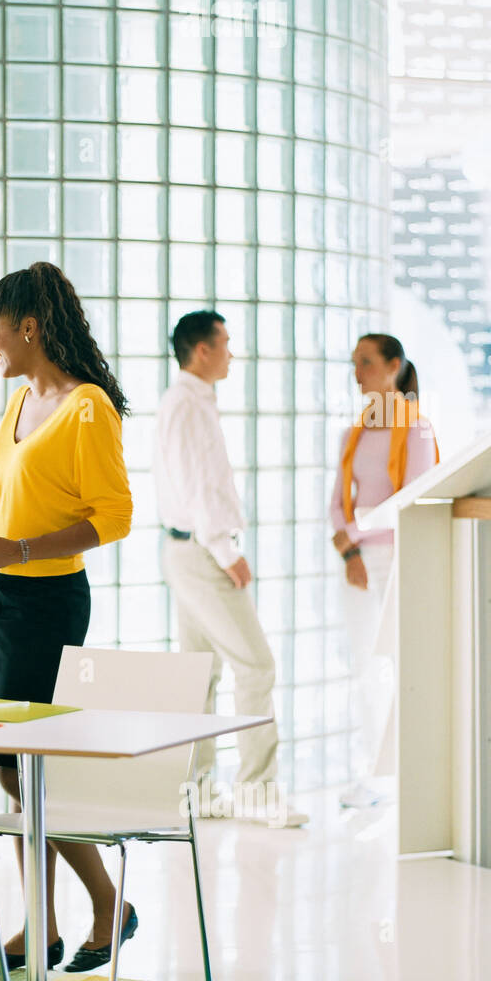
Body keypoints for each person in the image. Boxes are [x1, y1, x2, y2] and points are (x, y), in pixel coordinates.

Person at [0, 261, 138, 975]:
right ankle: (41, 927)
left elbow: (110, 519)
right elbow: (18, 504)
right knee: (11, 772)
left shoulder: (88, 408)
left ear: (29, 327)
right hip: (1, 600)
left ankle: (104, 906)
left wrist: (16, 547)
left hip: (49, 604)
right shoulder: (17, 404)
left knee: (32, 769)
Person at [154, 310, 305, 826]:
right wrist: (226, 550)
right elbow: (197, 486)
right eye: (226, 343)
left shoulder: (188, 403)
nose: (232, 353)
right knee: (256, 665)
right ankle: (257, 792)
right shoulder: (188, 406)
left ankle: (197, 792)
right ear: (203, 351)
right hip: (201, 552)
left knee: (201, 674)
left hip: (185, 550)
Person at [330, 334, 437, 807]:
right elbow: (336, 503)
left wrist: (354, 533)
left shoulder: (418, 429)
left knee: (399, 664)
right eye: (355, 364)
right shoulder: (352, 433)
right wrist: (350, 551)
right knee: (364, 669)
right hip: (358, 563)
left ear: (394, 367)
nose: (358, 374)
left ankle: (405, 776)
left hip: (397, 559)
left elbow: (407, 502)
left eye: (367, 363)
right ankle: (372, 775)